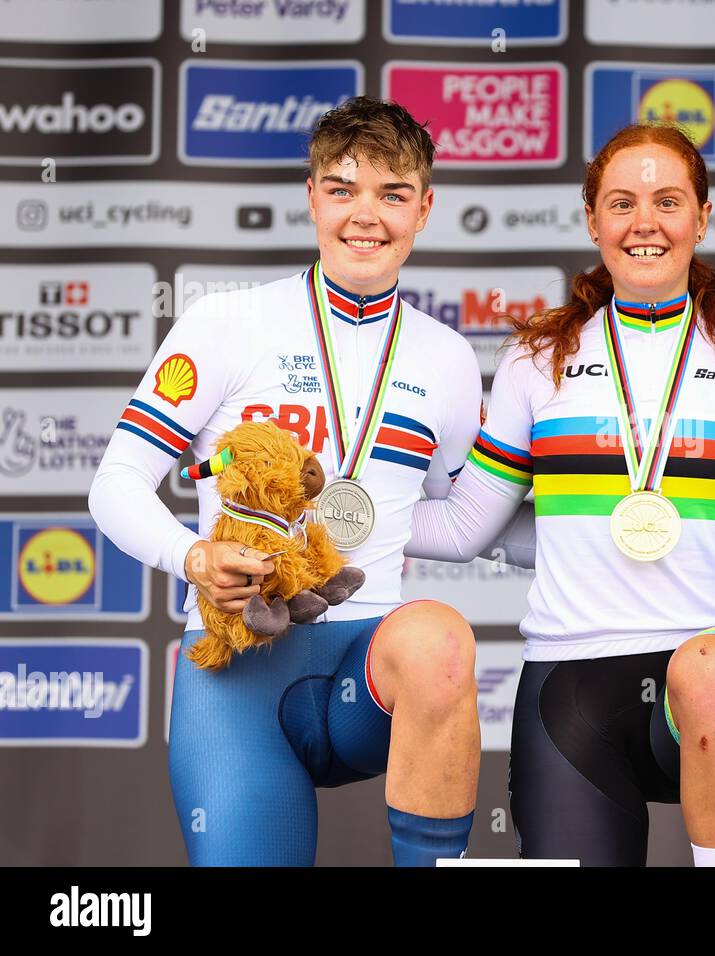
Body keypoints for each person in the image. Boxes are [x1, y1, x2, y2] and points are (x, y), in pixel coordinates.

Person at [406, 124, 715, 866]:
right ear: (593, 221)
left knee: (711, 675)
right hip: (569, 687)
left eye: (667, 200)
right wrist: (323, 517)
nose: (644, 222)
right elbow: (463, 530)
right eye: (622, 202)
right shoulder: (537, 358)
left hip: (706, 677)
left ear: (701, 218)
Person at [88, 96, 520, 866]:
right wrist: (193, 558)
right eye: (343, 188)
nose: (366, 216)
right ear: (313, 196)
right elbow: (117, 481)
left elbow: (463, 522)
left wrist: (613, 538)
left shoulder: (447, 356)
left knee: (441, 639)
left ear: (425, 208)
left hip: (368, 668)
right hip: (240, 674)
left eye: (392, 194)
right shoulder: (227, 324)